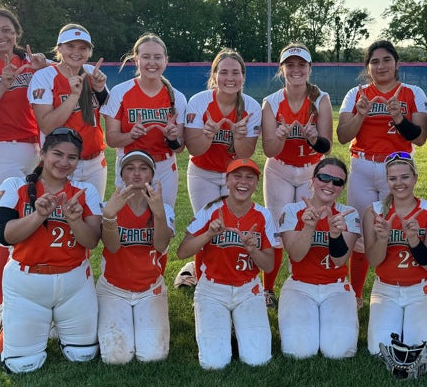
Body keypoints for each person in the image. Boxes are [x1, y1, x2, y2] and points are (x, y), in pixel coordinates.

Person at [0, 127, 102, 373]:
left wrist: (74, 220)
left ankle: (55, 324)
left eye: (71, 157)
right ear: (42, 153)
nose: (64, 162)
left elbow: (92, 241)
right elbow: (4, 235)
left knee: (83, 354)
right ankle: (5, 327)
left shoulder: (86, 192)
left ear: (78, 160)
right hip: (27, 282)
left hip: (74, 282)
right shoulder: (14, 186)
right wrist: (39, 215)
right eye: (57, 154)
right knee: (22, 364)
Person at [0, 8, 48, 334]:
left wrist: (44, 70)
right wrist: (3, 84)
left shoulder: (30, 59)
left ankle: (34, 292)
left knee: (36, 218)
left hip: (33, 146)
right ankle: (1, 303)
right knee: (10, 222)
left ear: (17, 31)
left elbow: (47, 98)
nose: (0, 37)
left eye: (6, 30)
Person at [337, 40, 427, 307]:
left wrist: (399, 119)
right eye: (374, 61)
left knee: (394, 229)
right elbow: (343, 135)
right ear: (367, 67)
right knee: (362, 233)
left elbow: (421, 138)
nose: (381, 66)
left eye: (386, 59)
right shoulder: (356, 93)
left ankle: (390, 288)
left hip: (397, 168)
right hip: (363, 165)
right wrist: (361, 115)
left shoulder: (411, 92)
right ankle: (355, 294)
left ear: (396, 63)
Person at [176, 159, 279, 370]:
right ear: (228, 181)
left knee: (258, 360)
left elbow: (268, 266)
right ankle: (225, 327)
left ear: (256, 183)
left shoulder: (263, 215)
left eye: (249, 177)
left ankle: (234, 326)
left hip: (248, 289)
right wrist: (208, 234)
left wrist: (253, 250)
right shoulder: (211, 210)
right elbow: (182, 251)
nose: (243, 182)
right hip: (212, 290)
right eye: (237, 176)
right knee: (214, 363)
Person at [260, 44, 334, 308]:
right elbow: (269, 150)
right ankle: (267, 289)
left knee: (305, 226)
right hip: (279, 169)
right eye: (290, 65)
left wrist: (314, 139)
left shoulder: (320, 99)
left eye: (301, 65)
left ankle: (300, 281)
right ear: (282, 70)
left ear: (309, 69)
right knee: (278, 228)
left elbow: (328, 147)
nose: (296, 70)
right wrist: (279, 137)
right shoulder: (271, 102)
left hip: (311, 171)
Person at [362, 151, 427, 356]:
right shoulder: (373, 212)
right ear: (386, 180)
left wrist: (414, 240)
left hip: (420, 288)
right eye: (393, 178)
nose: (399, 183)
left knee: (419, 351)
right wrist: (382, 239)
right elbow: (374, 261)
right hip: (385, 289)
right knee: (379, 351)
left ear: (415, 177)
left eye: (405, 177)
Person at [97, 150, 175, 364]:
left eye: (143, 168)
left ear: (151, 174)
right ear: (122, 174)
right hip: (113, 288)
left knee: (153, 356)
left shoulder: (164, 208)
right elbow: (112, 248)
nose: (137, 174)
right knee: (116, 358)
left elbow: (160, 245)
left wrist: (158, 214)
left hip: (150, 288)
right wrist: (109, 217)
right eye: (130, 168)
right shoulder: (108, 206)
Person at [277, 158, 359, 359]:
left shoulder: (348, 214)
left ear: (342, 187)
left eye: (337, 182)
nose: (330, 185)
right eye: (324, 178)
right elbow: (296, 255)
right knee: (300, 352)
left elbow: (339, 261)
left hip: (336, 285)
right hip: (300, 285)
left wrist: (335, 234)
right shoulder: (291, 211)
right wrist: (309, 227)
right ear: (312, 181)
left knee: (338, 352)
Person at [102, 33, 187, 208]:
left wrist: (172, 139)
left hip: (164, 167)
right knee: (130, 222)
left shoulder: (177, 97)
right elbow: (111, 140)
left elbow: (179, 148)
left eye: (158, 57)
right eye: (146, 57)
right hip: (130, 165)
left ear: (166, 61)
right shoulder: (120, 92)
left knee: (162, 222)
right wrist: (131, 136)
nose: (152, 62)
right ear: (136, 59)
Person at [28, 23, 109, 199]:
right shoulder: (44, 76)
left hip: (94, 162)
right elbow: (47, 126)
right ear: (59, 48)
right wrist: (73, 96)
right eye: (70, 46)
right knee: (59, 219)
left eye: (83, 48)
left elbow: (111, 112)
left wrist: (101, 89)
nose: (76, 52)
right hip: (61, 162)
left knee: (93, 219)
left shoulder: (91, 73)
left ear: (89, 52)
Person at [183, 48, 261, 213]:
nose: (230, 78)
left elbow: (246, 154)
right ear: (214, 75)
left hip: (234, 174)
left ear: (243, 77)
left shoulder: (252, 106)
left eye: (235, 73)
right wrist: (207, 135)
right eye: (224, 72)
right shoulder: (199, 101)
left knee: (230, 226)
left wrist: (239, 138)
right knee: (207, 224)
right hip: (202, 172)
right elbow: (195, 150)